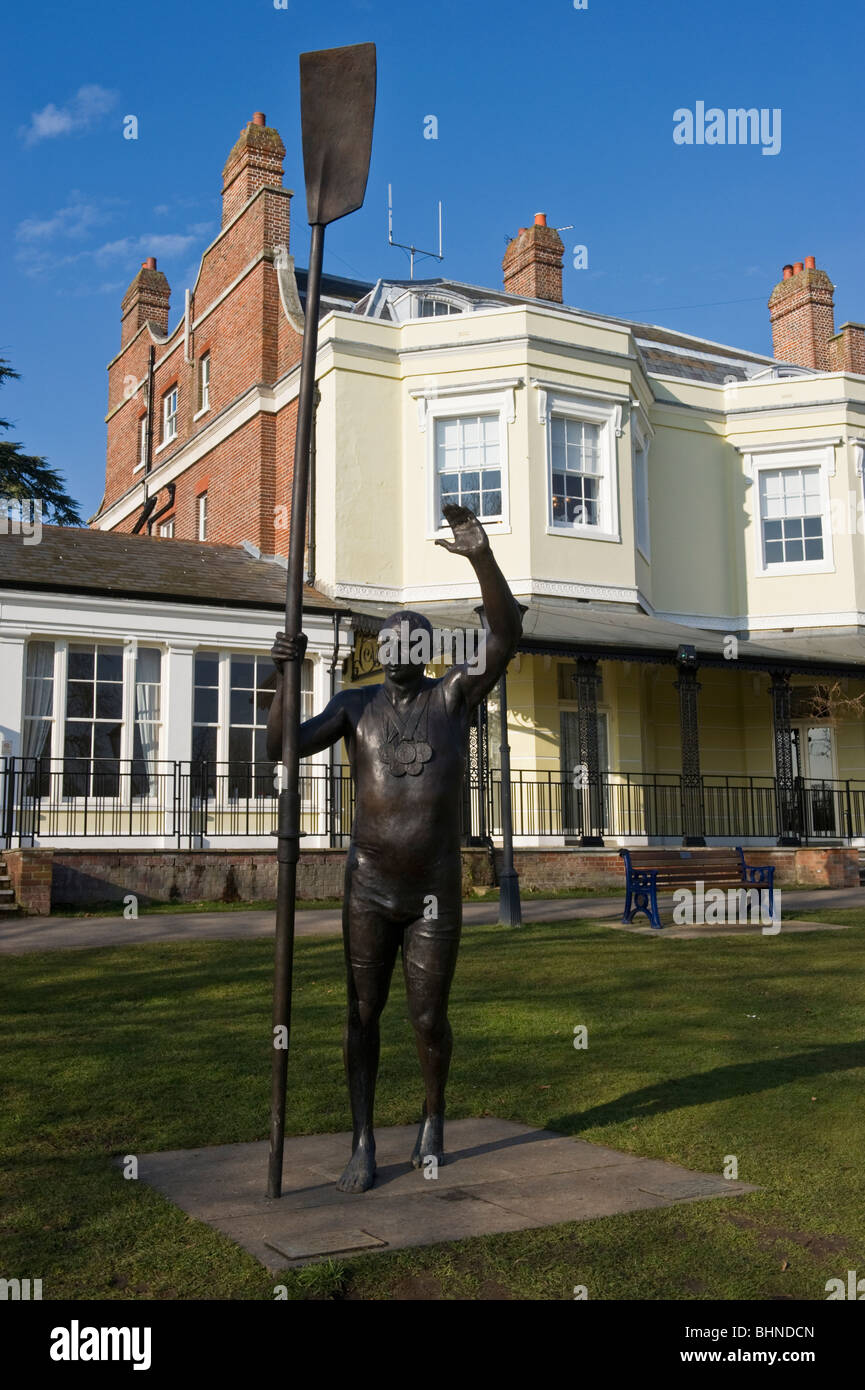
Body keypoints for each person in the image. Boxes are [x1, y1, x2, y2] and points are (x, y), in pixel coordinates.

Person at [267, 504, 523, 1192]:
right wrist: (284, 675)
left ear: (425, 652)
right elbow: (280, 746)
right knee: (359, 1011)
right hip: (369, 888)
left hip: (433, 892)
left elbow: (504, 633)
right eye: (387, 640)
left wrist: (480, 557)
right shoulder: (353, 706)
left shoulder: (454, 698)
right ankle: (361, 1139)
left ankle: (432, 1118)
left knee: (427, 1015)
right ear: (377, 650)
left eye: (409, 641)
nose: (395, 650)